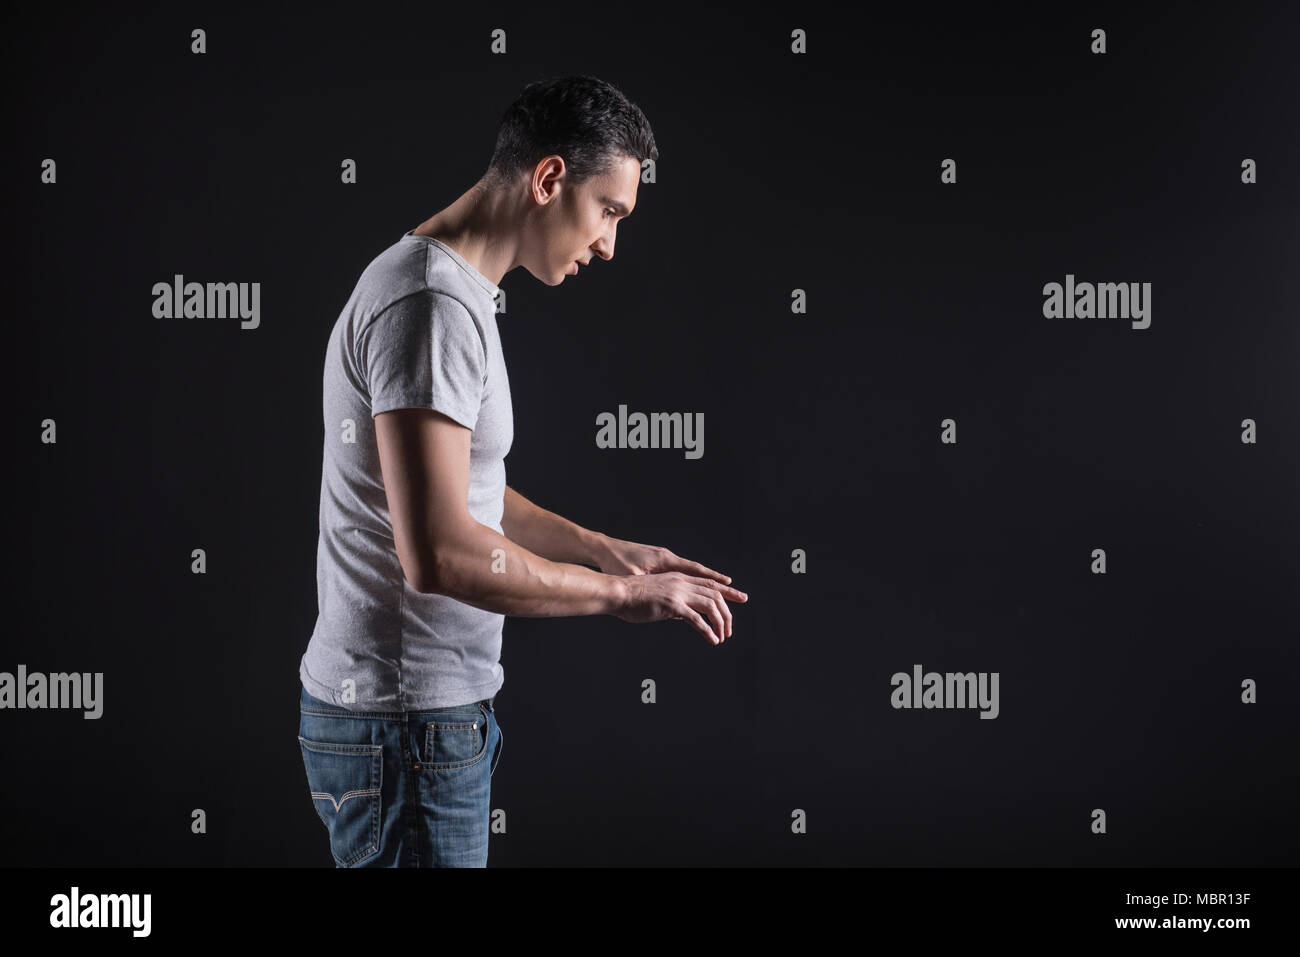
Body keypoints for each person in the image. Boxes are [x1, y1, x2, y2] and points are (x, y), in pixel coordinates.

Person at [296, 74, 748, 867]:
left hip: (418, 719)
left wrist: (604, 546)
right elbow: (438, 549)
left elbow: (464, 490)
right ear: (549, 180)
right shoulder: (429, 305)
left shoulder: (449, 290)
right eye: (608, 211)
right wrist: (622, 595)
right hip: (407, 724)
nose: (609, 243)